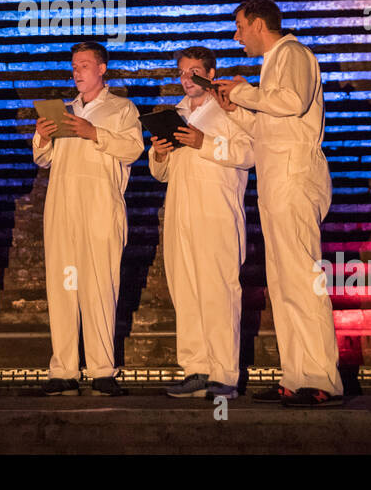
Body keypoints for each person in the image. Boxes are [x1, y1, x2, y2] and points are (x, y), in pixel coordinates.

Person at [214, 0, 344, 407]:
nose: (237, 37)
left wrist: (246, 92)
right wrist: (234, 107)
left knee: (304, 281)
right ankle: (296, 375)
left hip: (295, 180)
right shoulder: (273, 64)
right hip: (274, 183)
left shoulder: (293, 54)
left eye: (239, 27)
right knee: (285, 283)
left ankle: (323, 378)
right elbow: (267, 125)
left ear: (257, 24)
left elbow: (292, 103)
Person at [33, 41, 144, 397]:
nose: (77, 72)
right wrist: (43, 135)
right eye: (74, 66)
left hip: (100, 208)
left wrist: (93, 132)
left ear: (102, 69)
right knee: (64, 286)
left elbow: (132, 150)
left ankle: (101, 368)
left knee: (99, 286)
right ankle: (63, 367)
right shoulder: (64, 111)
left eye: (84, 65)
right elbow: (43, 158)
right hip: (63, 208)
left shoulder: (121, 109)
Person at [149, 46, 254, 400]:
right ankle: (196, 368)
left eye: (194, 71)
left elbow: (250, 153)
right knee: (187, 289)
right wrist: (160, 153)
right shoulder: (176, 113)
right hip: (181, 212)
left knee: (218, 292)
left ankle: (224, 374)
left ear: (210, 73)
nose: (186, 78)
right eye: (181, 72)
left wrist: (203, 142)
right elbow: (160, 172)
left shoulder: (229, 111)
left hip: (217, 212)